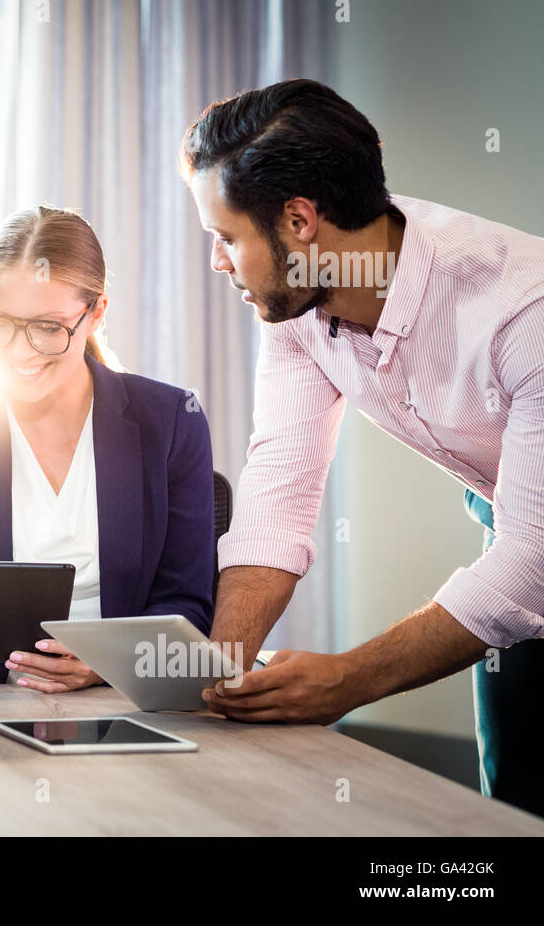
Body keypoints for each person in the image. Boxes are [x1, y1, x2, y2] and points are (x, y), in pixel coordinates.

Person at [179, 78, 544, 817]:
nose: (219, 262)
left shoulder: (521, 313)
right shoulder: (296, 305)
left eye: (226, 237)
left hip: (528, 547)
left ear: (301, 220)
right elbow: (276, 502)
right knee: (516, 809)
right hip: (516, 529)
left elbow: (530, 565)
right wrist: (213, 676)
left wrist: (349, 679)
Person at [0, 207, 216, 687]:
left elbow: (190, 607)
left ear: (95, 314)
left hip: (126, 700)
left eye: (49, 328)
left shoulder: (172, 421)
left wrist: (108, 663)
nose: (20, 351)